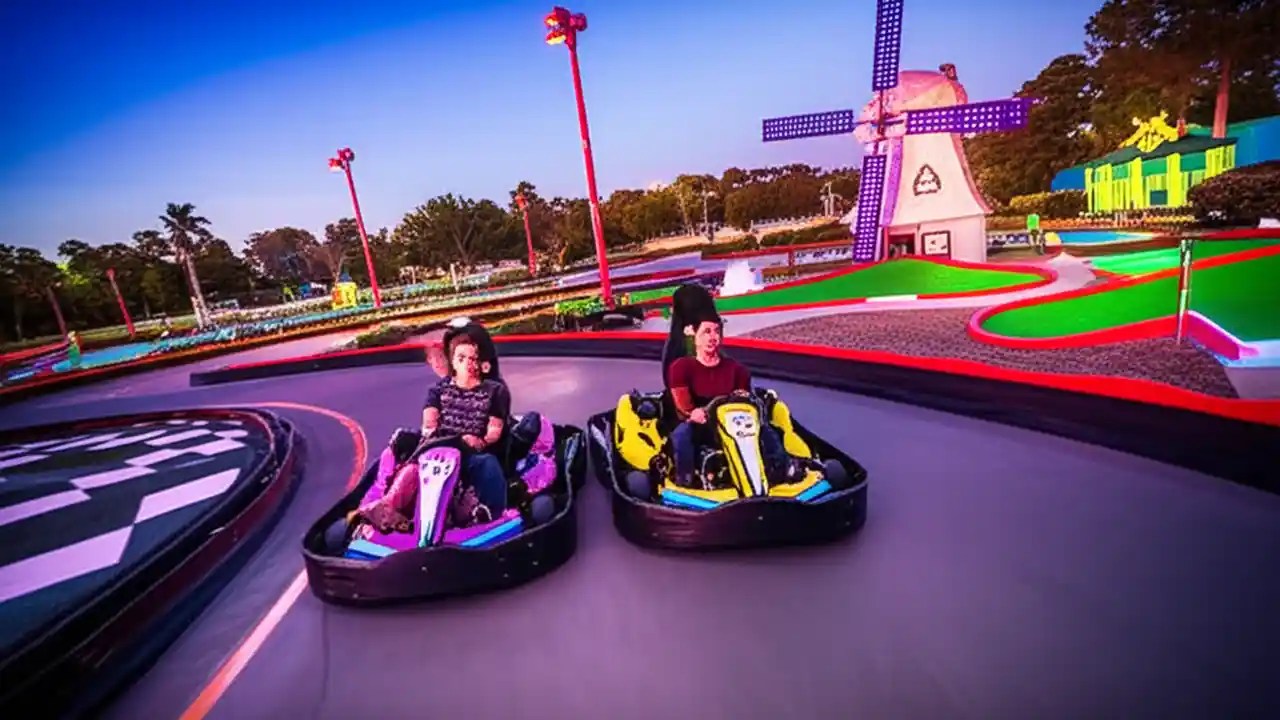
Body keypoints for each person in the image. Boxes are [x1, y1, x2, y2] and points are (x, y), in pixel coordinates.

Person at [666, 307, 790, 487]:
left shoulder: (737, 370)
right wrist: (693, 413)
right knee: (682, 435)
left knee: (768, 431)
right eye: (706, 332)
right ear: (695, 335)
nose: (712, 337)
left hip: (736, 424)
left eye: (716, 331)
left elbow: (746, 402)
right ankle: (685, 481)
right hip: (700, 424)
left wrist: (746, 399)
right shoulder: (681, 367)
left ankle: (779, 473)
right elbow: (683, 406)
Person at [422, 332, 511, 517]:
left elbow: (494, 431)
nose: (468, 364)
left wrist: (479, 442)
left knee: (487, 464)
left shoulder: (494, 391)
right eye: (462, 358)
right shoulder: (438, 390)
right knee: (402, 447)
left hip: (471, 454)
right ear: (453, 361)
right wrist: (436, 435)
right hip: (438, 451)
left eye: (473, 359)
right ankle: (383, 506)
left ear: (480, 363)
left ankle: (490, 513)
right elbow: (429, 425)